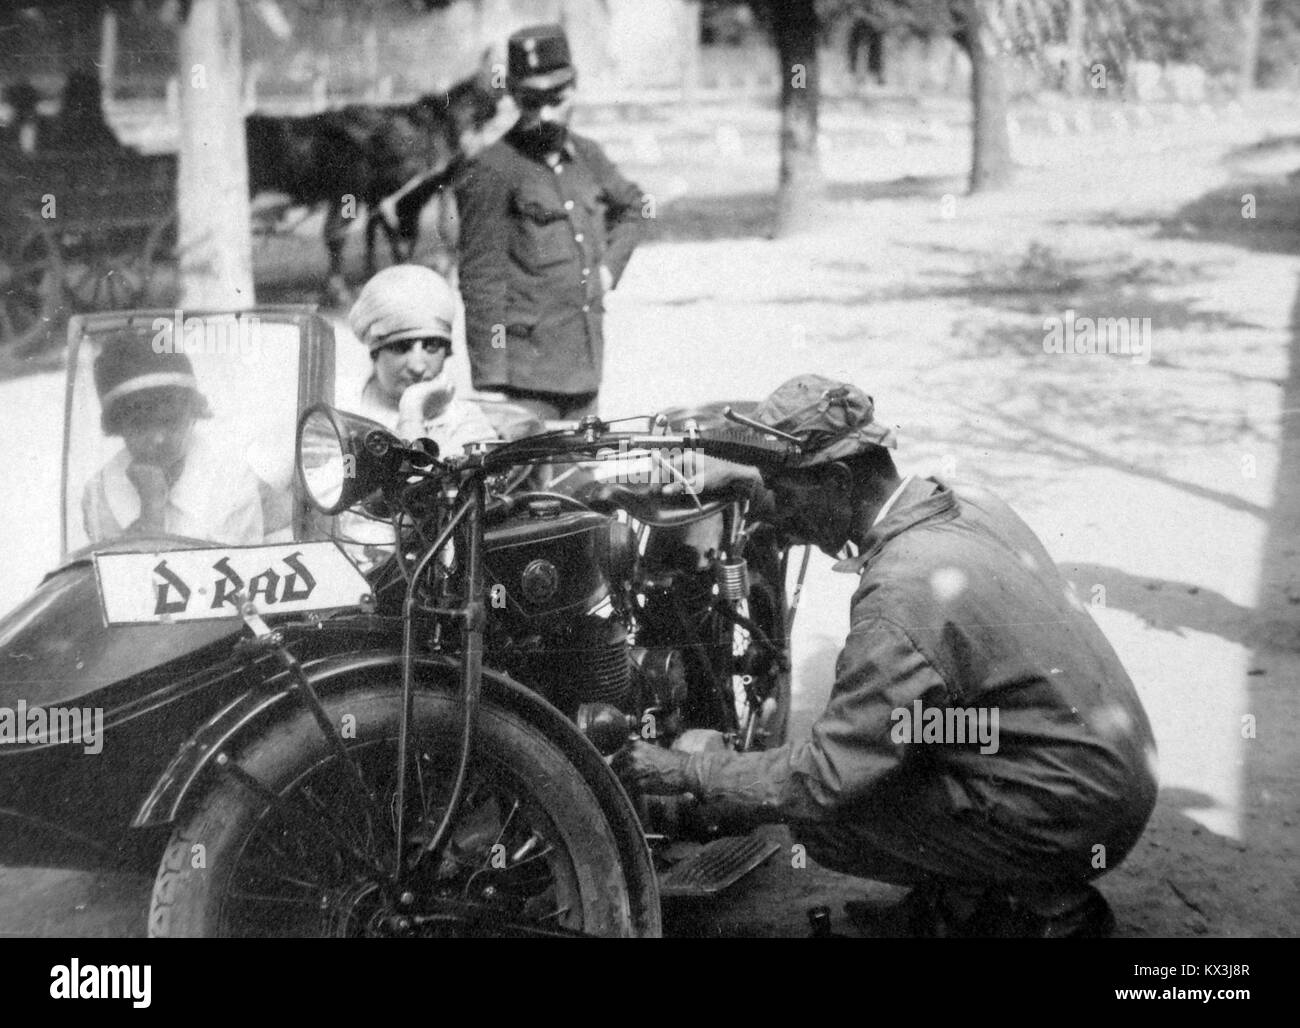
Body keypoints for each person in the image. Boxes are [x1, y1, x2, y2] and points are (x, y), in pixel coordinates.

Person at [620, 374, 1159, 938]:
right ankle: (965, 899)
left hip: (1075, 807)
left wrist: (685, 769)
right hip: (1097, 760)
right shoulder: (965, 501)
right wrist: (750, 481)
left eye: (779, 487)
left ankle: (1046, 908)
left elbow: (825, 777)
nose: (772, 507)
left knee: (827, 816)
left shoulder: (900, 593)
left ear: (836, 478)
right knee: (905, 731)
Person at [454, 23, 645, 422]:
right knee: (531, 483)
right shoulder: (492, 170)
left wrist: (608, 270)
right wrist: (493, 384)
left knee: (582, 480)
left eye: (554, 99)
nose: (542, 115)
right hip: (526, 379)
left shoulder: (589, 157)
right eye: (529, 102)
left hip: (584, 362)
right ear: (513, 98)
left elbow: (635, 207)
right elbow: (481, 280)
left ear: (574, 88)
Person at [83, 337, 264, 546]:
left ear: (193, 413)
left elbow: (230, 571)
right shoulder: (101, 492)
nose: (158, 438)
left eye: (170, 421)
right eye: (140, 425)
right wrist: (151, 510)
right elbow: (121, 575)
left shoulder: (232, 478)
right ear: (117, 426)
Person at [347, 263, 496, 452]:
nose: (417, 366)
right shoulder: (342, 410)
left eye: (431, 347)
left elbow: (419, 479)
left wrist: (412, 412)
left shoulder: (466, 423)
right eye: (401, 347)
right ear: (375, 353)